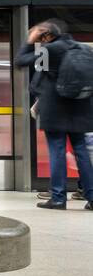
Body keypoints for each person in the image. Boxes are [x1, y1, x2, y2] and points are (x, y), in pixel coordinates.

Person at [14, 19, 93, 210]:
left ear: (46, 35)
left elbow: (20, 61)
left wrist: (29, 41)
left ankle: (58, 198)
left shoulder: (50, 49)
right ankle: (92, 197)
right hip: (80, 107)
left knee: (57, 151)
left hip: (55, 108)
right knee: (81, 152)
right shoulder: (83, 48)